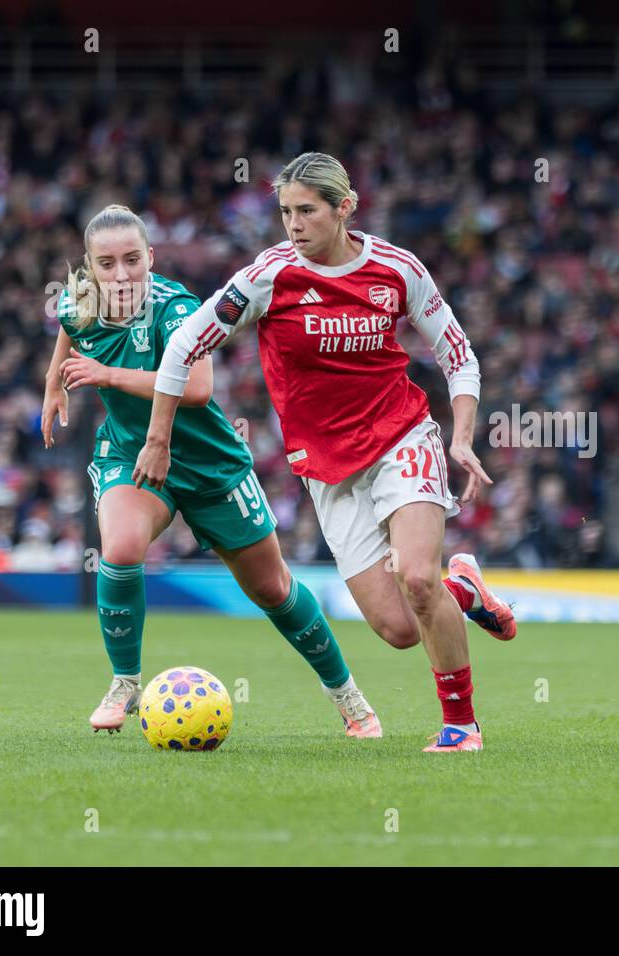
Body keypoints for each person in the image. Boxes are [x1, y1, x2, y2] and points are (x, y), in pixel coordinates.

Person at [132, 154, 516, 753]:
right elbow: (184, 345)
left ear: (345, 207)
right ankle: (462, 588)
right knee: (397, 629)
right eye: (285, 212)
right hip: (328, 468)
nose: (293, 225)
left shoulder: (397, 269)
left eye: (306, 211)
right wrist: (158, 436)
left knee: (416, 576)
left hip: (402, 436)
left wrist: (461, 436)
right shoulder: (268, 277)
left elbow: (459, 355)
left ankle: (460, 724)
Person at [42, 204, 381, 738]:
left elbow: (198, 388)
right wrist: (52, 385)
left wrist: (106, 374)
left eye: (133, 259)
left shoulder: (176, 307)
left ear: (151, 258)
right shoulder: (77, 300)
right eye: (106, 264)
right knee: (121, 549)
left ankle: (349, 697)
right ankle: (125, 681)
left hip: (210, 466)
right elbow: (68, 330)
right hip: (131, 455)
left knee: (272, 589)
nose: (122, 274)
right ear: (90, 267)